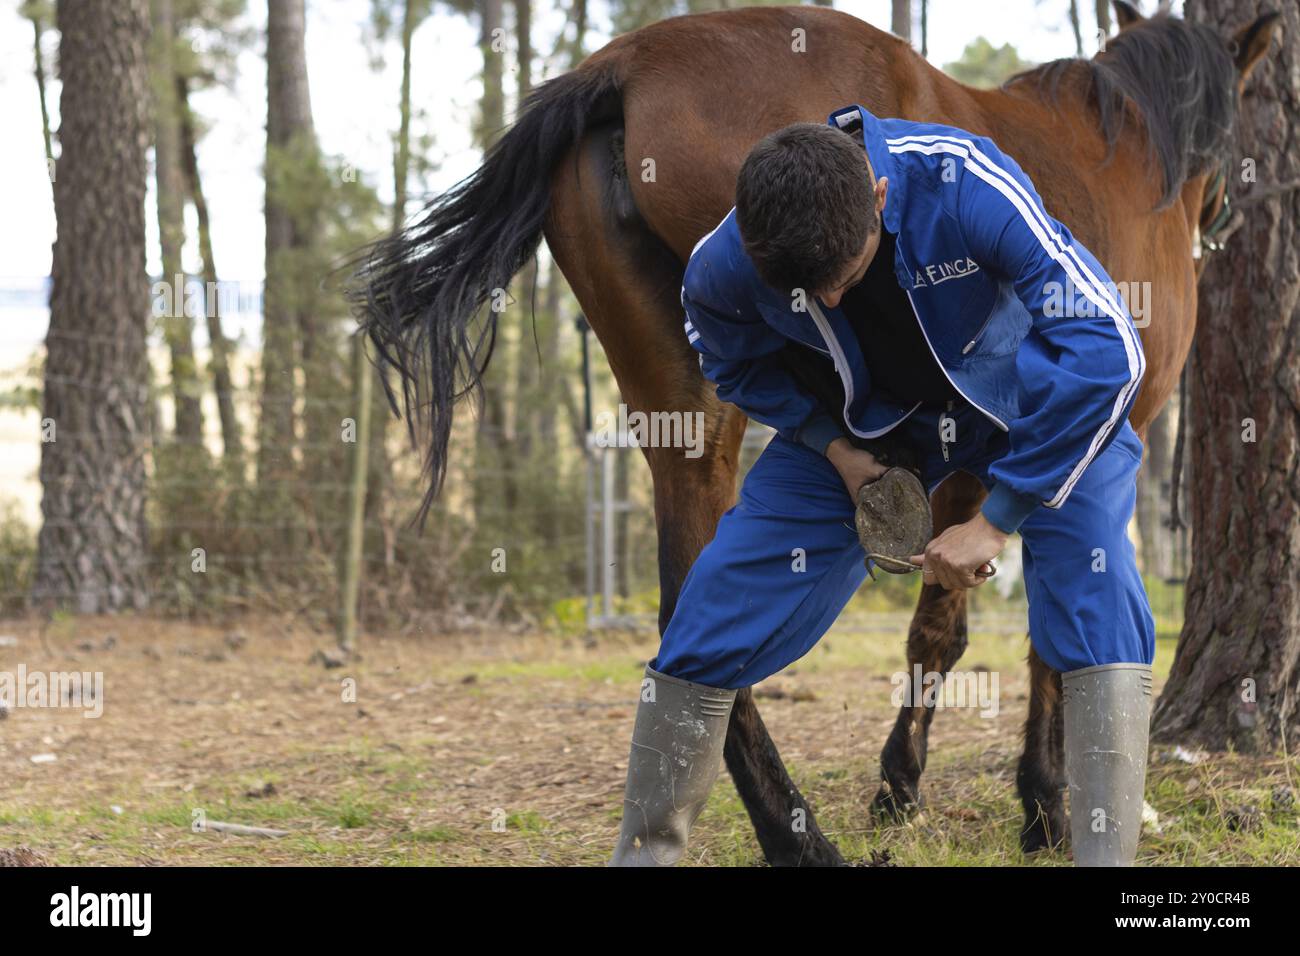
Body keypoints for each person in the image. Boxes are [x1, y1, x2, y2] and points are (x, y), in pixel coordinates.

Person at [609, 105, 1155, 867]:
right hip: (865, 433)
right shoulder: (725, 264)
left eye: (846, 276)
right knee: (711, 611)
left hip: (1024, 407)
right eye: (808, 292)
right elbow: (729, 360)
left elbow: (1110, 347)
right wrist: (828, 446)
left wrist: (997, 519)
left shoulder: (963, 183)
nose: (831, 301)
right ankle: (642, 857)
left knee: (1096, 589)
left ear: (880, 196)